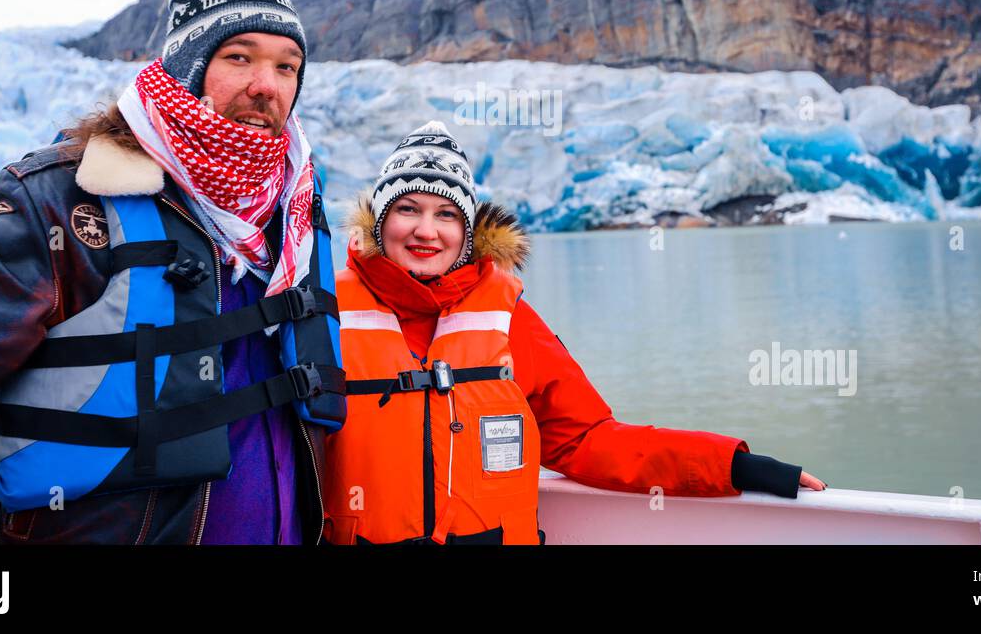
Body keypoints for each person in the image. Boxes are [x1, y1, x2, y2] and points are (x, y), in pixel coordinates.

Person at [0, 0, 345, 544]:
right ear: (187, 68)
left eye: (286, 65)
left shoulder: (294, 211)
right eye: (239, 57)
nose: (266, 85)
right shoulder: (64, 201)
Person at [323, 120, 826, 545]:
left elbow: (588, 440)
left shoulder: (509, 318)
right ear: (379, 220)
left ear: (469, 232)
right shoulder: (327, 313)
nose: (426, 231)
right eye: (407, 209)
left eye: (446, 214)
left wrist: (735, 467)